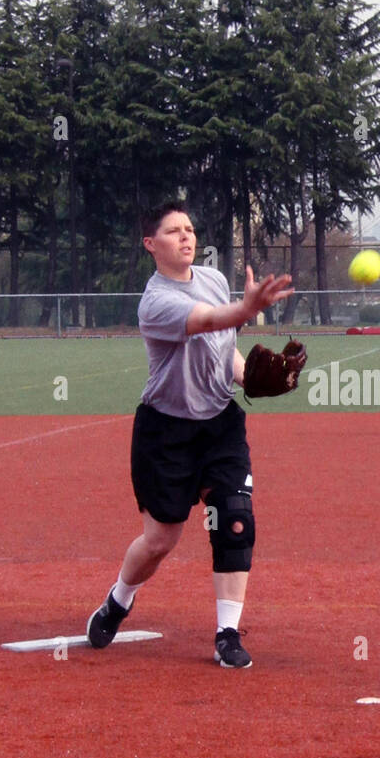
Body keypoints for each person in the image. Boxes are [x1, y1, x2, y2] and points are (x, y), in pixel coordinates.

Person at [86, 204, 293, 667]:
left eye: (190, 229)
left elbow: (225, 347)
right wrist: (247, 308)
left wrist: (249, 378)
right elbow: (205, 322)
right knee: (161, 540)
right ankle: (119, 599)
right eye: (173, 231)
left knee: (235, 519)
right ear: (150, 244)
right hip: (166, 432)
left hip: (219, 423)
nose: (186, 237)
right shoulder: (155, 301)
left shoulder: (214, 280)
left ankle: (227, 634)